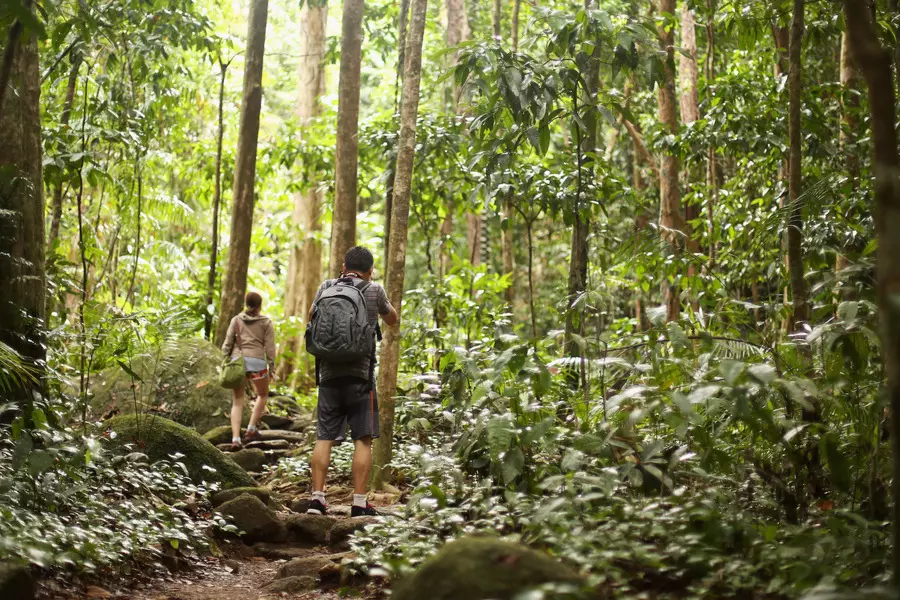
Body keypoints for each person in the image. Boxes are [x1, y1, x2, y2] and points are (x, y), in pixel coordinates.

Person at [306, 246, 398, 517]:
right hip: (361, 376)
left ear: (344, 266)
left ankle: (317, 499)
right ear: (370, 270)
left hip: (329, 374)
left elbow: (311, 318)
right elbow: (392, 319)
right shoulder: (374, 290)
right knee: (363, 439)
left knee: (324, 437)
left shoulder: (326, 286)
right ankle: (359, 503)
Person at [221, 291, 277, 449]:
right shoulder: (266, 322)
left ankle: (236, 439)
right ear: (260, 305)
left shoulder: (236, 320)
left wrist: (226, 359)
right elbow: (270, 347)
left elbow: (227, 344)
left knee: (237, 401)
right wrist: (271, 366)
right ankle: (251, 428)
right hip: (257, 362)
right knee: (263, 394)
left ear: (246, 303)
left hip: (238, 362)